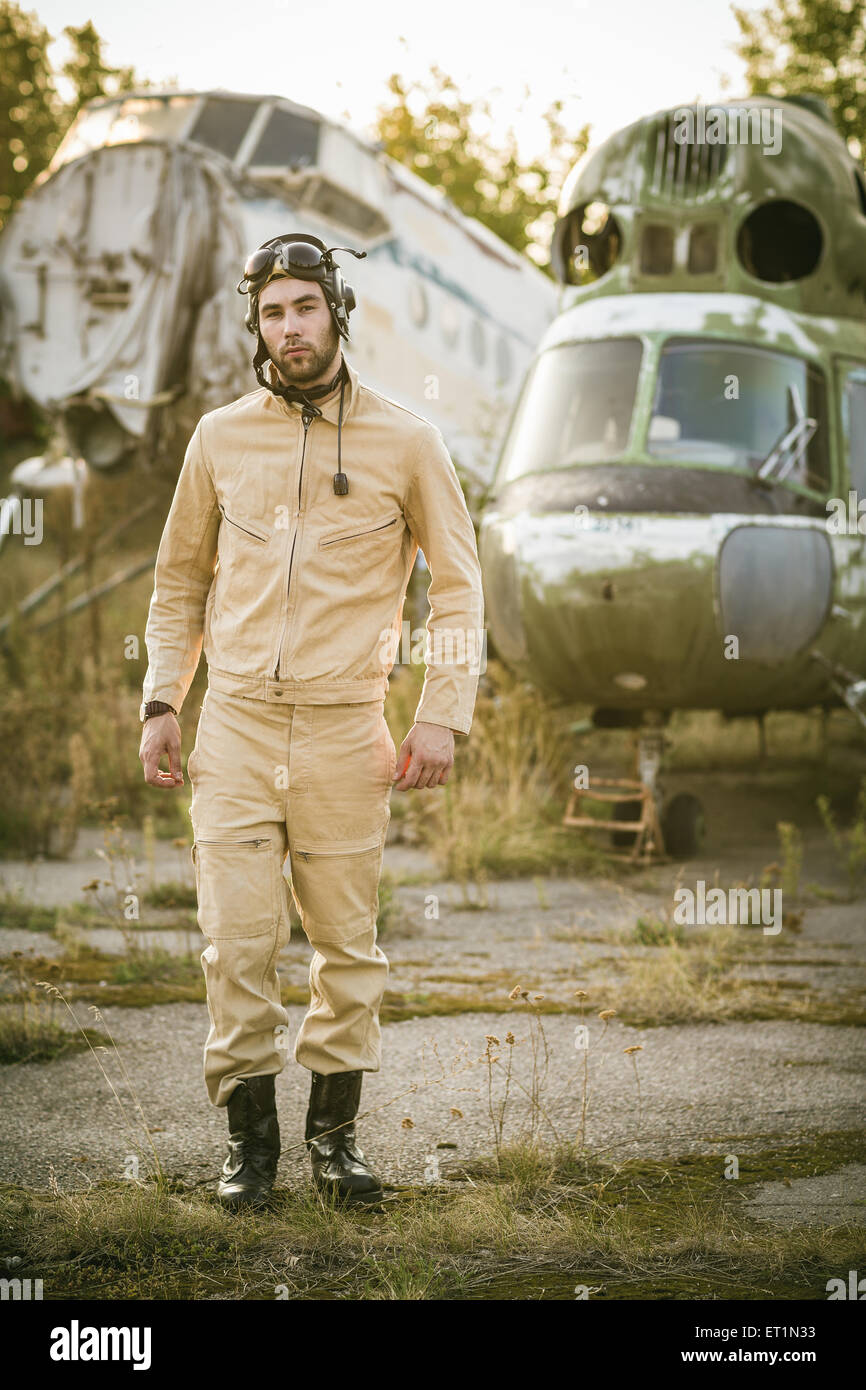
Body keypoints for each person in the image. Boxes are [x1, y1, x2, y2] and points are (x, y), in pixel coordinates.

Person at [138, 233, 485, 1209]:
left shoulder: (408, 442)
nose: (288, 329)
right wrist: (163, 698)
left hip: (345, 727)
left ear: (336, 309)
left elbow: (457, 592)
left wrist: (439, 715)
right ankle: (249, 1149)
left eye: (302, 307)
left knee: (344, 944)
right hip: (236, 726)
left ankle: (333, 1141)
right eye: (270, 314)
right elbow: (177, 583)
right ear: (256, 327)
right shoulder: (218, 439)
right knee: (235, 943)